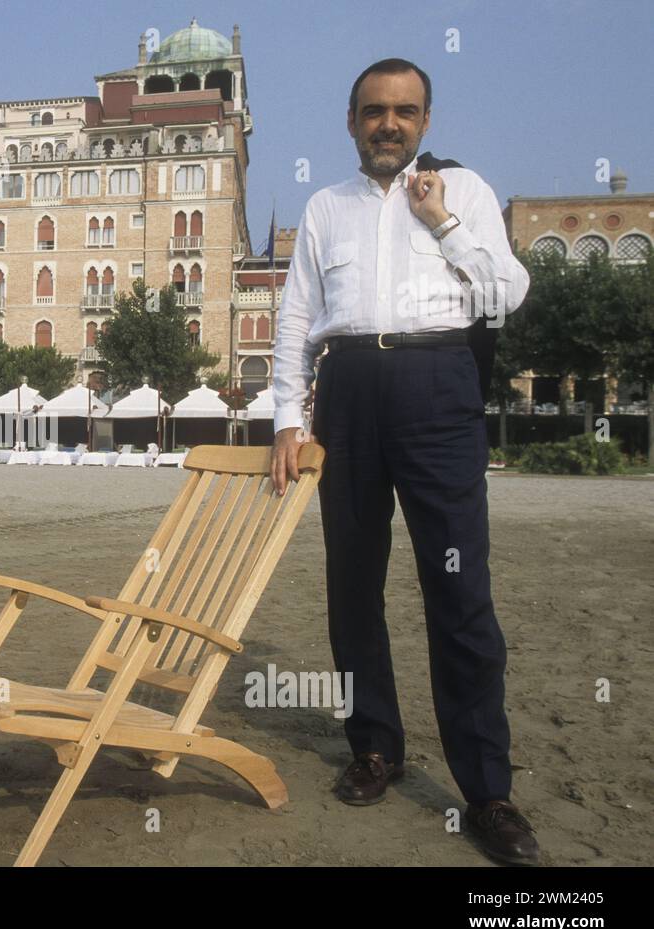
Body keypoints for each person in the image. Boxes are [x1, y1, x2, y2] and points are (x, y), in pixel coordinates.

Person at [269, 58, 538, 865]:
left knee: (458, 590)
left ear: (426, 120)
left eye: (406, 111)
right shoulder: (324, 207)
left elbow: (506, 294)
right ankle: (375, 745)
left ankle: (487, 789)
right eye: (375, 111)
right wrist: (287, 415)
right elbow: (296, 318)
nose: (390, 123)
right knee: (353, 584)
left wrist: (443, 222)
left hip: (437, 385)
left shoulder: (467, 192)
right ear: (351, 121)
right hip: (347, 387)